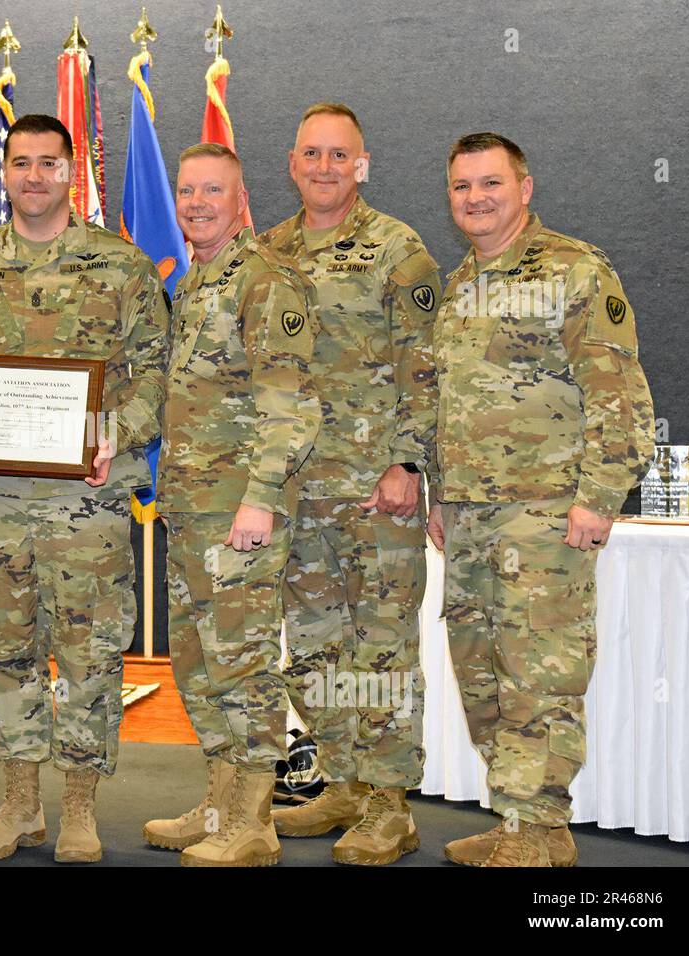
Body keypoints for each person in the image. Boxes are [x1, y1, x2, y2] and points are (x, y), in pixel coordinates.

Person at [0, 114, 168, 863]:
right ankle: (19, 805)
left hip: (89, 502)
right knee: (5, 653)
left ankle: (82, 812)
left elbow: (157, 374)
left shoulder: (120, 266)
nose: (33, 177)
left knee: (91, 655)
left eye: (48, 164)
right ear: (7, 174)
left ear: (72, 173)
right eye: (21, 164)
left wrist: (113, 435)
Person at [429, 132, 655, 867]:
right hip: (467, 514)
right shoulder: (460, 281)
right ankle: (529, 823)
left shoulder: (573, 268)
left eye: (491, 183)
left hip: (547, 511)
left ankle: (534, 826)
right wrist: (439, 490)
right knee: (481, 667)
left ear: (525, 188)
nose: (476, 198)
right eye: (463, 187)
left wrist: (599, 496)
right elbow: (449, 399)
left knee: (540, 670)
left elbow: (619, 393)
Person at [260, 103, 441, 865]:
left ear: (361, 165)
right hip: (299, 492)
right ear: (293, 163)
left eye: (341, 156)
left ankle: (391, 803)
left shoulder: (399, 250)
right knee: (314, 649)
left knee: (382, 652)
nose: (326, 168)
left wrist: (409, 462)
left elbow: (430, 365)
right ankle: (344, 778)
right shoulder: (266, 252)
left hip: (376, 493)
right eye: (313, 154)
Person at [142, 143, 320, 867]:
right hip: (190, 508)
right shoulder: (197, 282)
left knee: (242, 665)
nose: (195, 204)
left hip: (238, 513)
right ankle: (219, 801)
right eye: (187, 192)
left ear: (239, 200)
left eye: (212, 191)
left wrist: (261, 500)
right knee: (197, 662)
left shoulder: (264, 282)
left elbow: (291, 404)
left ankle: (253, 823)